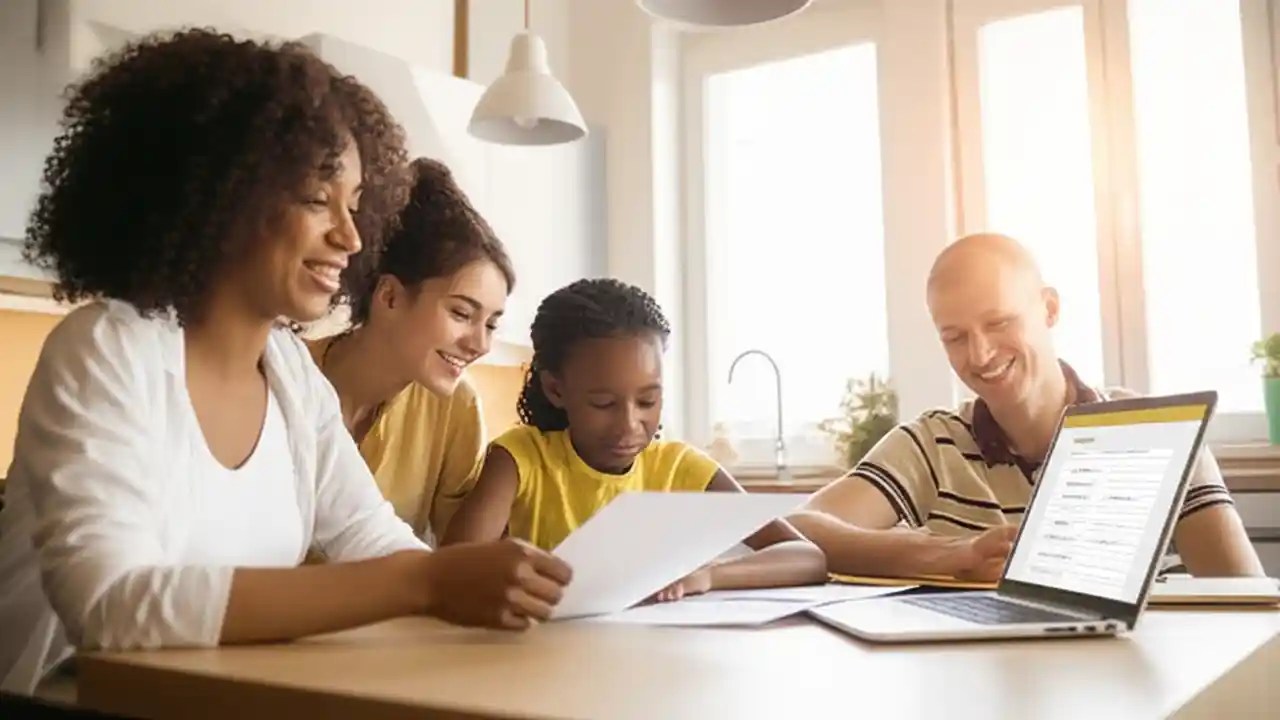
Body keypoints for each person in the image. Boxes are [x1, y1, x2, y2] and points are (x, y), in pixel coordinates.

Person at [0, 30, 569, 695]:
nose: (351, 238)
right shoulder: (110, 348)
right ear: (219, 192)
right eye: (315, 200)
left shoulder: (293, 375)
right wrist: (425, 581)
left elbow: (372, 537)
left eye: (355, 207)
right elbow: (111, 606)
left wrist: (496, 588)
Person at [790, 233, 1264, 581]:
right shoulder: (931, 445)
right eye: (954, 337)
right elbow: (800, 527)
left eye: (998, 322)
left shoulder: (1158, 432)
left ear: (1050, 309)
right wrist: (951, 555)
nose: (979, 355)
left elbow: (1248, 604)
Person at [444, 278, 826, 600]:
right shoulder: (520, 458)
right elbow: (452, 566)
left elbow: (805, 556)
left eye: (648, 401)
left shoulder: (679, 467)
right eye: (603, 403)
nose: (629, 425)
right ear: (556, 390)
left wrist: (707, 576)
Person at [310, 157, 512, 545]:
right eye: (462, 313)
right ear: (389, 296)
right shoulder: (284, 376)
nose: (480, 344)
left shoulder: (456, 408)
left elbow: (464, 558)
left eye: (491, 324)